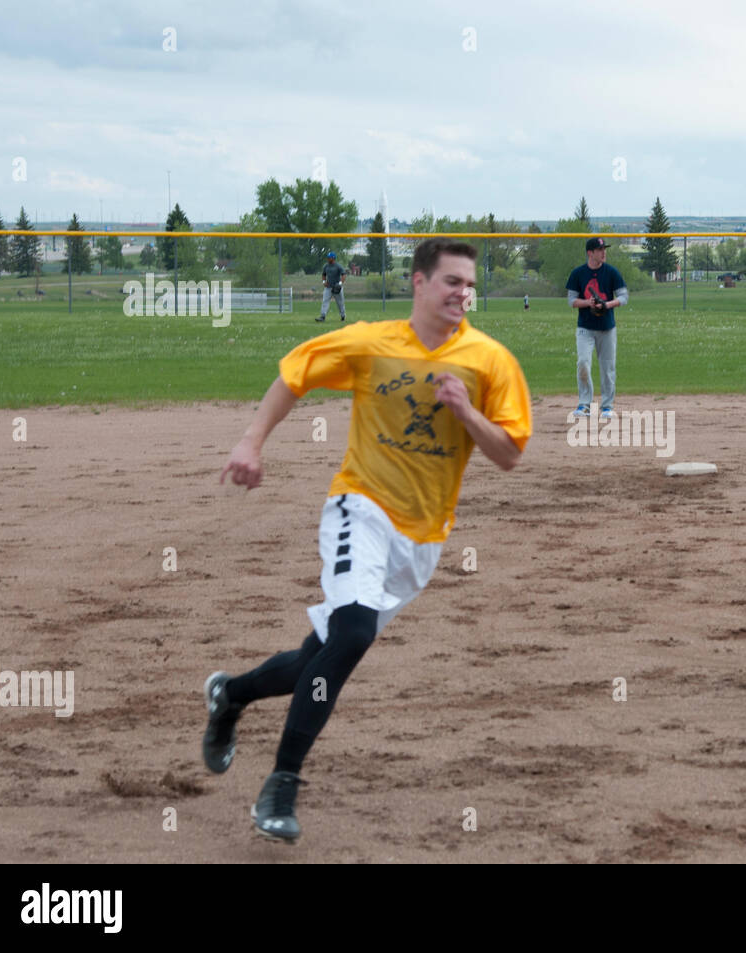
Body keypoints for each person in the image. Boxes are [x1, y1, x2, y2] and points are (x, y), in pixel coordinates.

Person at [208, 237, 532, 843]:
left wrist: (466, 413)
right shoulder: (370, 342)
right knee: (353, 632)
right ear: (418, 282)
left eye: (468, 283)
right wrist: (251, 442)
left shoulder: (490, 361)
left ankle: (231, 695)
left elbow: (510, 454)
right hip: (359, 509)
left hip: (422, 542)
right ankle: (281, 783)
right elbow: (293, 374)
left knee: (316, 658)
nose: (463, 292)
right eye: (451, 281)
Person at [566, 237, 627, 422]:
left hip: (607, 328)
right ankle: (584, 404)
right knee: (583, 362)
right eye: (600, 249)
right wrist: (588, 302)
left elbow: (624, 297)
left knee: (607, 367)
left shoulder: (611, 272)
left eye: (604, 249)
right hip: (585, 327)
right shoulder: (578, 273)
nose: (604, 252)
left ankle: (607, 406)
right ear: (590, 253)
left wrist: (607, 304)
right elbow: (571, 300)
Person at [317, 252, 347, 322]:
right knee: (325, 301)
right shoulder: (326, 266)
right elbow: (323, 274)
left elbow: (344, 275)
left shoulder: (338, 266)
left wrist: (340, 283)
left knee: (340, 303)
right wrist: (324, 282)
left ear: (333, 258)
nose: (328, 259)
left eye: (329, 257)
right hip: (328, 287)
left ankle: (343, 316)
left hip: (337, 288)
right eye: (327, 257)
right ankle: (322, 316)